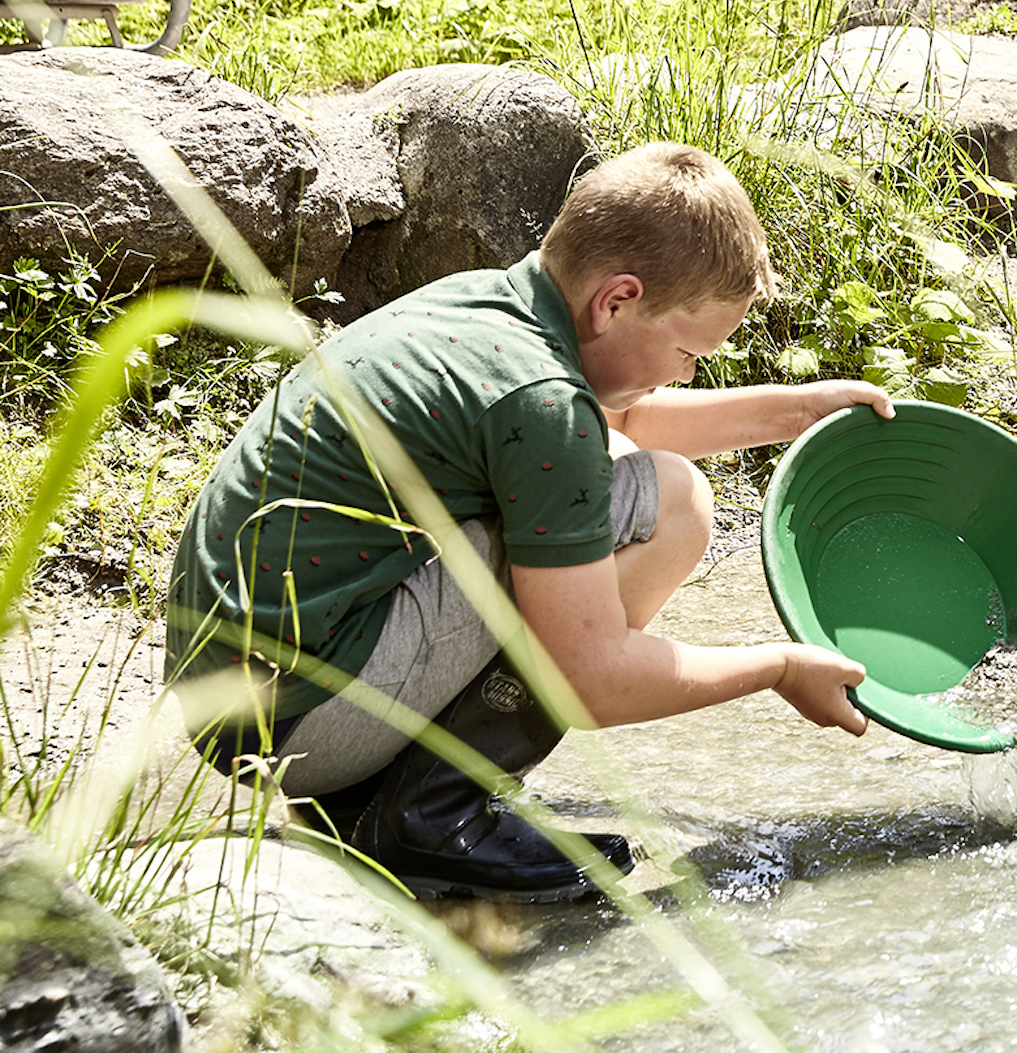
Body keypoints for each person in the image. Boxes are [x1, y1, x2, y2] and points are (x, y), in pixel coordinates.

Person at [164, 142, 890, 903]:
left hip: (240, 694)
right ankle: (431, 814)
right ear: (616, 300)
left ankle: (377, 795)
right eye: (686, 350)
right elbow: (593, 682)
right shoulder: (541, 403)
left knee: (638, 478)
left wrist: (807, 409)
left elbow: (632, 413)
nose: (687, 371)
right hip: (293, 728)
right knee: (673, 505)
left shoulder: (493, 306)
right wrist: (776, 666)